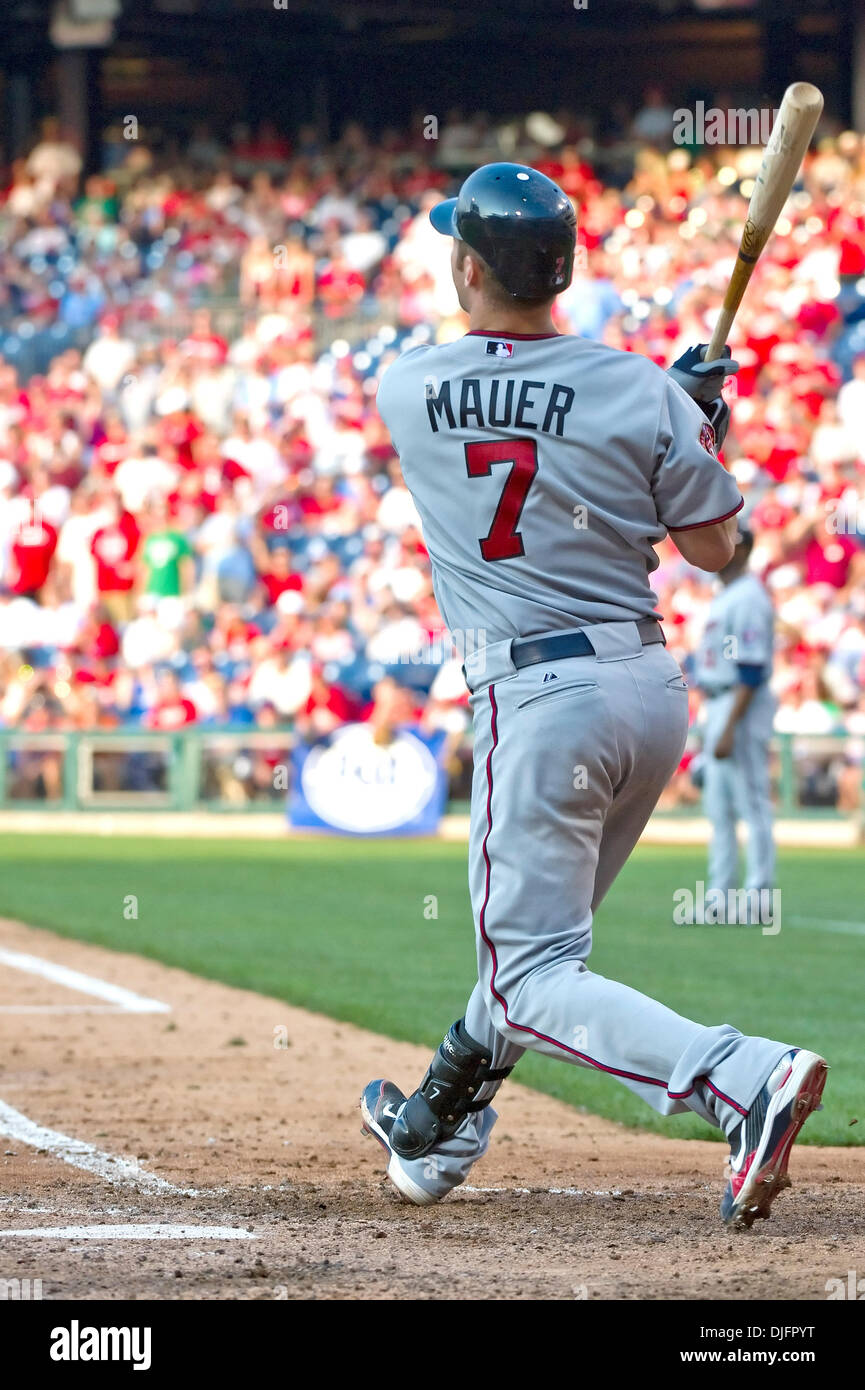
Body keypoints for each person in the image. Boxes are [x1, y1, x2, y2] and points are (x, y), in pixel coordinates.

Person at [360, 163, 826, 1230]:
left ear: (468, 266)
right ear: (562, 271)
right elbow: (717, 549)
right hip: (647, 694)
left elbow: (526, 429)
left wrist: (666, 409)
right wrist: (691, 420)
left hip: (539, 694)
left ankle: (740, 1077)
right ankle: (438, 1126)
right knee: (537, 951)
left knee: (529, 971)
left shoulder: (406, 383)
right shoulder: (638, 389)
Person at [695, 528, 776, 911]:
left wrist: (728, 727)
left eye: (730, 542)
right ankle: (721, 896)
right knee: (719, 808)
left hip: (741, 703)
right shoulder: (725, 595)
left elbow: (752, 668)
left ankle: (759, 896)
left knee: (751, 803)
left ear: (742, 549)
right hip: (718, 700)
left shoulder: (748, 596)